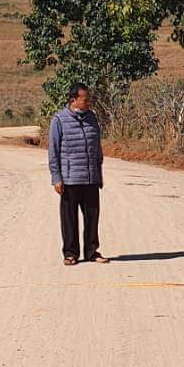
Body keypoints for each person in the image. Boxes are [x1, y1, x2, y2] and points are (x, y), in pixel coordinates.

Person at [48, 82, 108, 266]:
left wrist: (99, 174)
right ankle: (70, 253)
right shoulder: (59, 120)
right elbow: (54, 151)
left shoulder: (92, 118)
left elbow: (97, 148)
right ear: (74, 100)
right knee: (69, 218)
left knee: (92, 216)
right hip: (69, 179)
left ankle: (92, 251)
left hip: (90, 178)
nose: (88, 102)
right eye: (85, 99)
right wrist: (56, 177)